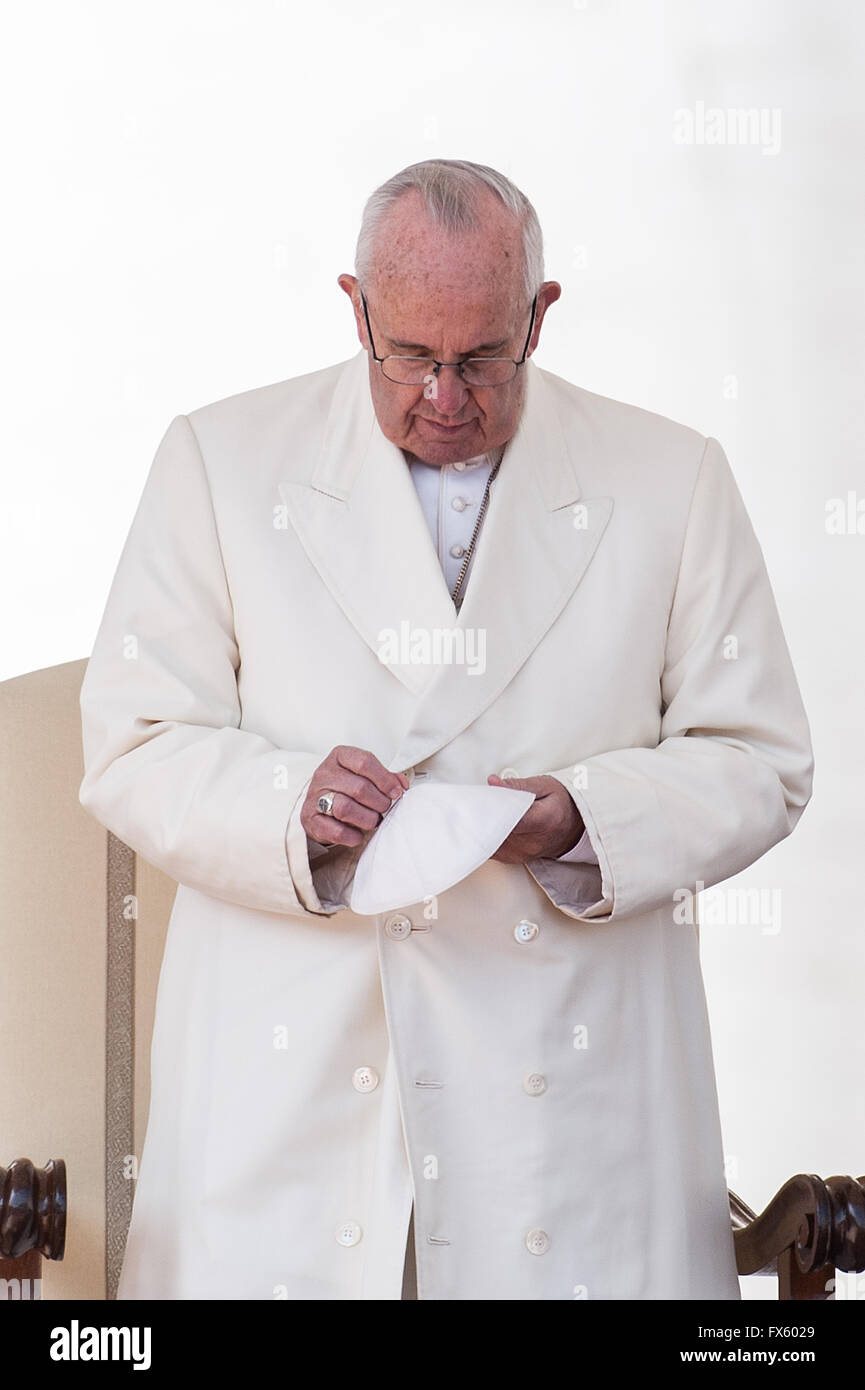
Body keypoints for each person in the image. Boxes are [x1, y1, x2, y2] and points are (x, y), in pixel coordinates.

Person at [78, 158, 813, 1300]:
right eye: (411, 356)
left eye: (480, 358)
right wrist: (290, 809)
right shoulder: (220, 463)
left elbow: (760, 759)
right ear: (355, 307)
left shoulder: (672, 478)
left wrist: (586, 818)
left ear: (540, 315)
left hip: (572, 1095)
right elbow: (132, 741)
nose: (444, 397)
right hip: (294, 1085)